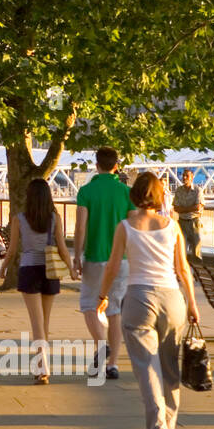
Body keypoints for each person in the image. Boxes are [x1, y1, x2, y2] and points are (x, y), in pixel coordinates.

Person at [97, 171, 201, 429]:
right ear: (159, 196)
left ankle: (156, 428)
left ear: (134, 195)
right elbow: (183, 269)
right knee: (169, 362)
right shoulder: (172, 226)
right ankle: (169, 419)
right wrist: (192, 303)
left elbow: (112, 266)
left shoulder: (125, 226)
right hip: (171, 298)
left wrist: (103, 295)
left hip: (138, 297)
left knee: (146, 366)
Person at [5, 178, 77, 381]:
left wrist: (3, 266)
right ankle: (43, 364)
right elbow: (62, 247)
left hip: (29, 269)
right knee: (45, 321)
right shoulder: (55, 218)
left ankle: (42, 366)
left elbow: (12, 248)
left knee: (36, 322)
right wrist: (71, 268)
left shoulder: (19, 218)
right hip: (50, 269)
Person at [74, 147, 134, 380]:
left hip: (95, 255)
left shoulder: (86, 191)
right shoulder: (126, 192)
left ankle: (101, 344)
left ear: (96, 164)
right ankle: (113, 364)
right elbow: (132, 228)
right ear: (116, 166)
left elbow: (80, 227)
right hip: (121, 259)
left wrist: (77, 256)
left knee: (89, 304)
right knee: (115, 309)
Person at [172, 169, 203, 263]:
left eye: (187, 176)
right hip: (181, 222)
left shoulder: (198, 190)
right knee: (181, 248)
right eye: (183, 175)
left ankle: (198, 272)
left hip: (194, 222)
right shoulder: (179, 190)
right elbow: (176, 208)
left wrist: (183, 209)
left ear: (192, 178)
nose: (184, 177)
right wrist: (190, 208)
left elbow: (198, 207)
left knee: (196, 249)